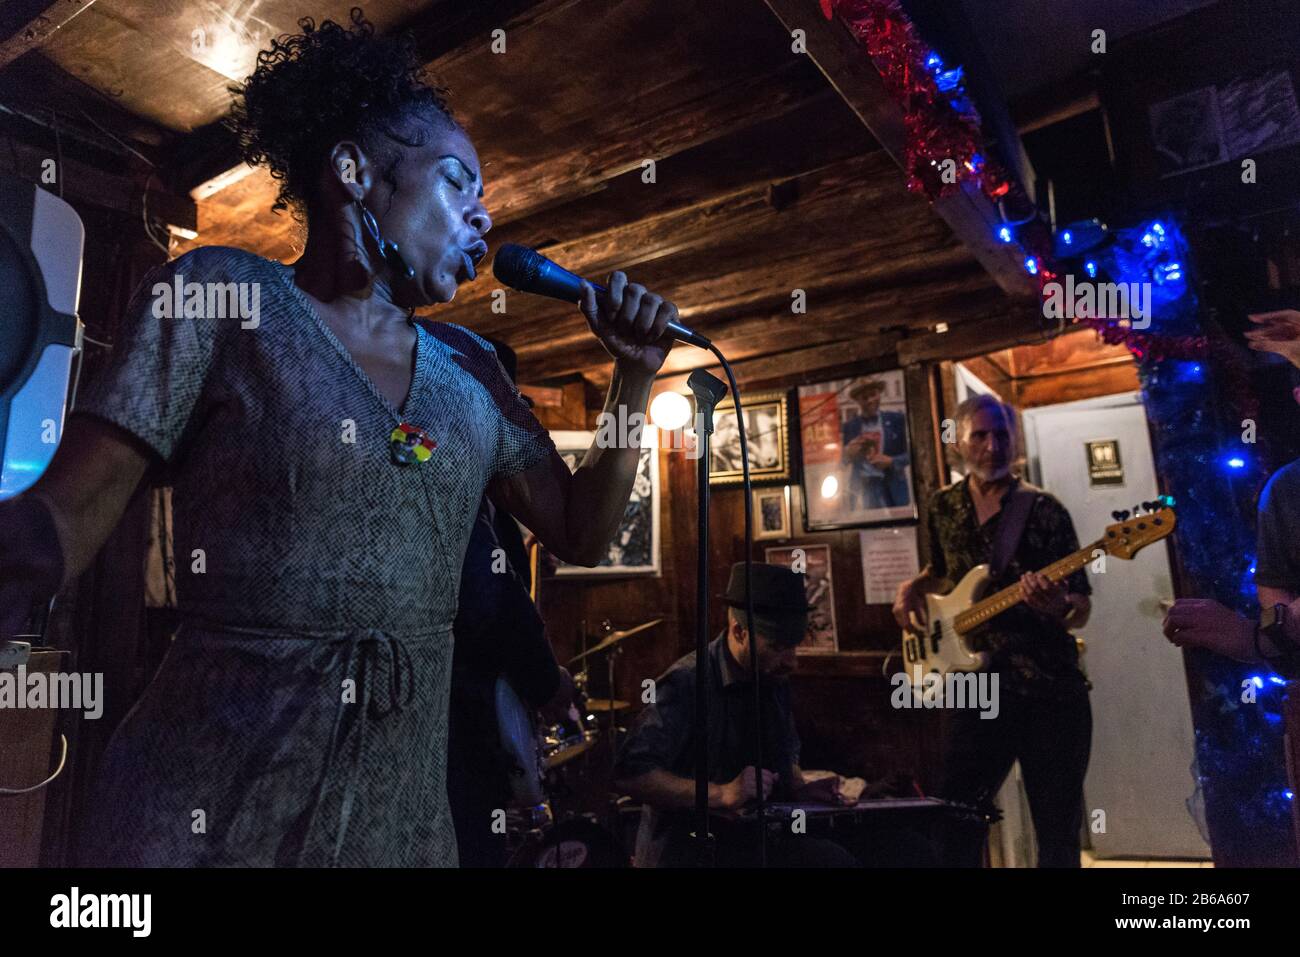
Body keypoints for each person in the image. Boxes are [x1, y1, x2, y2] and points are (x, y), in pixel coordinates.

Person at [0, 10, 678, 867]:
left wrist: (635, 375)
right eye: (456, 182)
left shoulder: (472, 369)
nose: (483, 214)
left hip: (396, 827)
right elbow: (63, 520)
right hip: (202, 813)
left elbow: (580, 526)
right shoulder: (222, 296)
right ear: (353, 172)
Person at [893, 394, 1093, 867]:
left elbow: (1081, 606)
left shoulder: (1045, 510)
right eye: (979, 435)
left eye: (1001, 434)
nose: (991, 445)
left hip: (1048, 689)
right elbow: (941, 573)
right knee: (956, 819)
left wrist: (1057, 605)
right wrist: (912, 587)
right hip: (976, 686)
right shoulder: (942, 506)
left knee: (1057, 830)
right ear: (959, 443)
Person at [614, 562, 860, 868]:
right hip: (688, 853)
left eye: (794, 647)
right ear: (740, 632)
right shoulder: (686, 682)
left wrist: (801, 789)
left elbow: (783, 763)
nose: (792, 662)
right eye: (779, 647)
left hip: (752, 844)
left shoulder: (772, 676)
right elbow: (630, 775)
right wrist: (720, 793)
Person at [841, 379, 911, 510]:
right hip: (864, 489)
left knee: (900, 527)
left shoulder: (897, 420)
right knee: (869, 528)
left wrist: (891, 461)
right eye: (864, 397)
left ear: (879, 394)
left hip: (894, 485)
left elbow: (912, 454)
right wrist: (847, 454)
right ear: (857, 400)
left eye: (873, 394)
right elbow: (840, 463)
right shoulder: (849, 427)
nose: (869, 400)